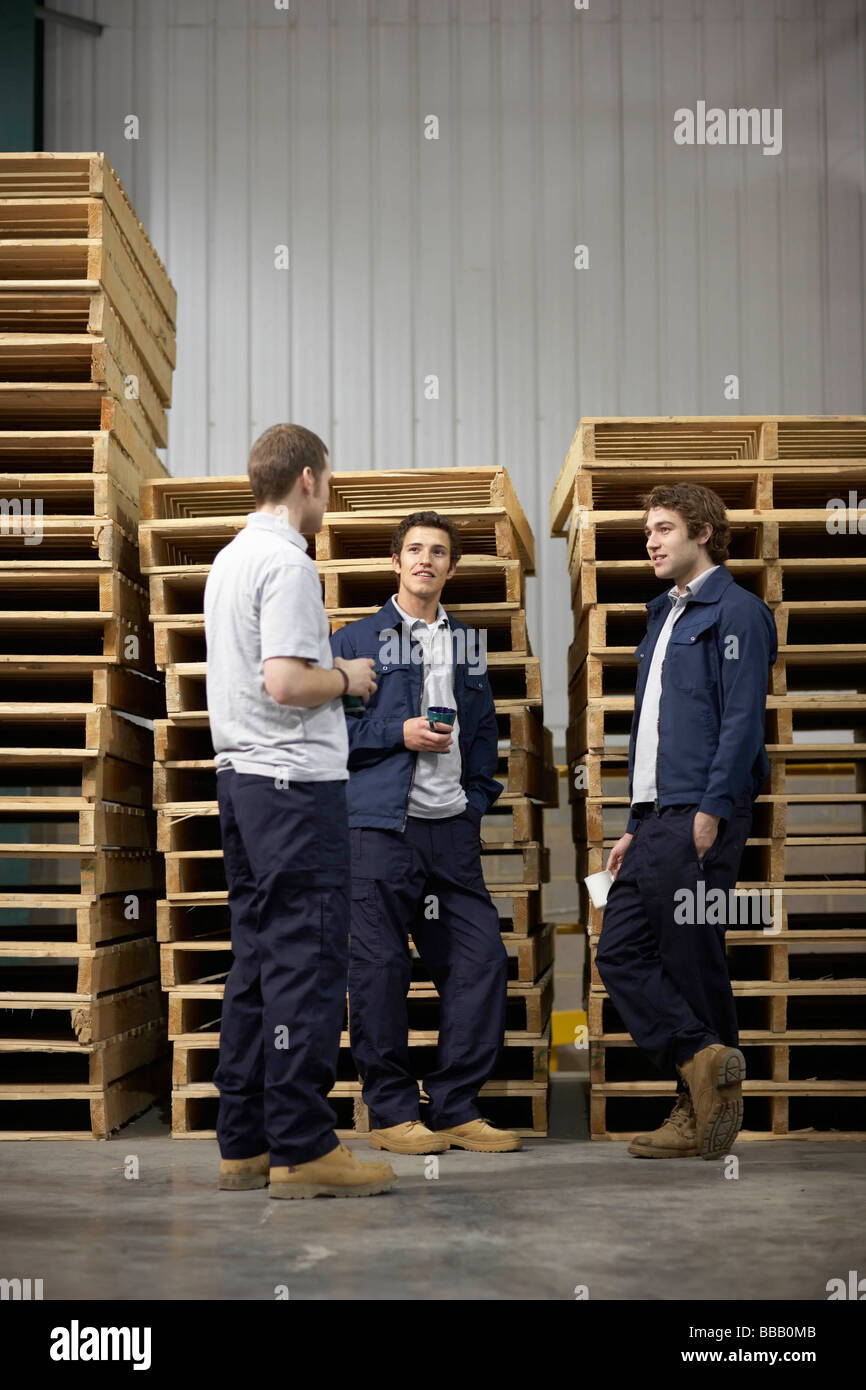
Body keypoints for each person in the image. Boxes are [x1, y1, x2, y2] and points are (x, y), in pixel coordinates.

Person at [204, 422, 395, 1198]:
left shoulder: (226, 561)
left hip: (244, 784)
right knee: (307, 959)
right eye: (328, 484)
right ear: (308, 480)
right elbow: (286, 682)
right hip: (293, 789)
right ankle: (305, 1148)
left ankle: (245, 1142)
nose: (327, 499)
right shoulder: (286, 563)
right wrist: (347, 677)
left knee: (256, 957)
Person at [596, 483, 777, 1160]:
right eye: (649, 529)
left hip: (701, 813)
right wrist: (634, 823)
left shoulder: (738, 613)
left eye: (665, 528)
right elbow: (652, 735)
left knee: (693, 958)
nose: (652, 540)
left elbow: (741, 722)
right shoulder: (664, 619)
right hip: (656, 819)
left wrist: (711, 808)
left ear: (703, 532)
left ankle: (698, 1109)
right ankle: (702, 1062)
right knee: (619, 952)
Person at [330, 511, 520, 1154]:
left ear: (451, 567)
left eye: (438, 552)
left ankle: (454, 1106)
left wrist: (473, 804)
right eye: (414, 549)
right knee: (379, 968)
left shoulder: (467, 642)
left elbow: (487, 731)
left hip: (450, 831)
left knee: (480, 961)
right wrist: (397, 734)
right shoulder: (355, 640)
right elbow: (331, 737)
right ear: (395, 561)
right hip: (380, 830)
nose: (425, 561)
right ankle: (388, 1114)